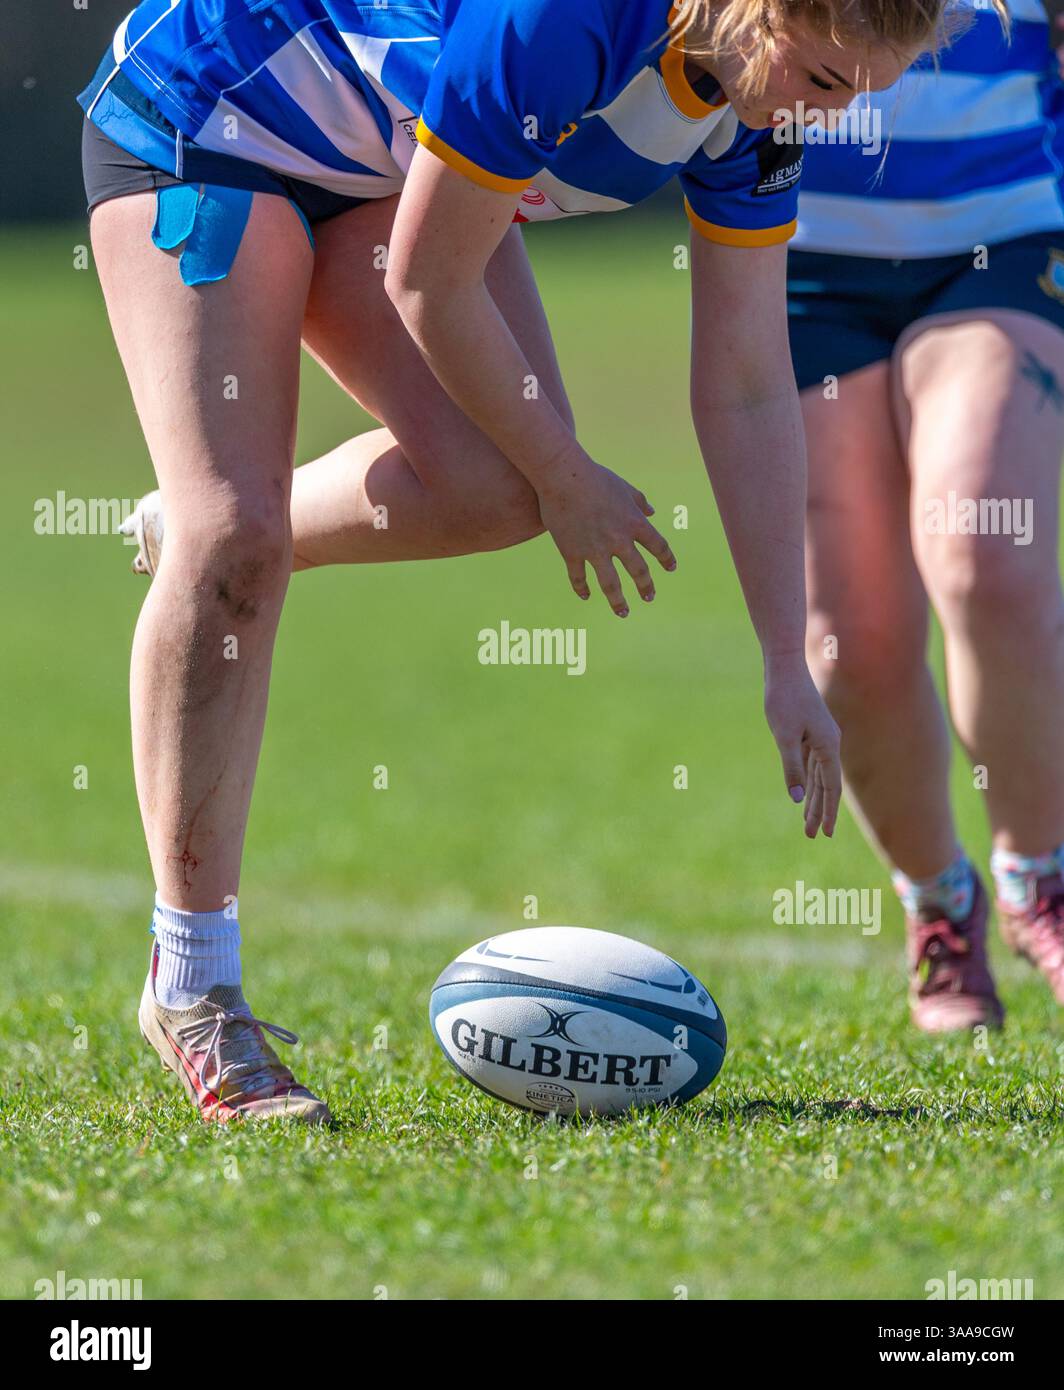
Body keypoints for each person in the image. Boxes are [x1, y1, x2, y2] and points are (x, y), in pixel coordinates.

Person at [79, 0, 933, 1122]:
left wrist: (785, 658)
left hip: (380, 171)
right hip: (209, 113)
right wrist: (575, 478)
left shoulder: (758, 104)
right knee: (245, 537)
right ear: (758, 12)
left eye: (860, 94)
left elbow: (745, 379)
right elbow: (428, 283)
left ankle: (207, 528)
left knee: (490, 488)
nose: (828, 118)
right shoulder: (569, 19)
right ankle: (194, 988)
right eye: (825, 81)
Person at [787, 0, 1062, 1031]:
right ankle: (938, 905)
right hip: (787, 257)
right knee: (847, 644)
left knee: (984, 552)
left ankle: (1040, 875)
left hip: (999, 231)